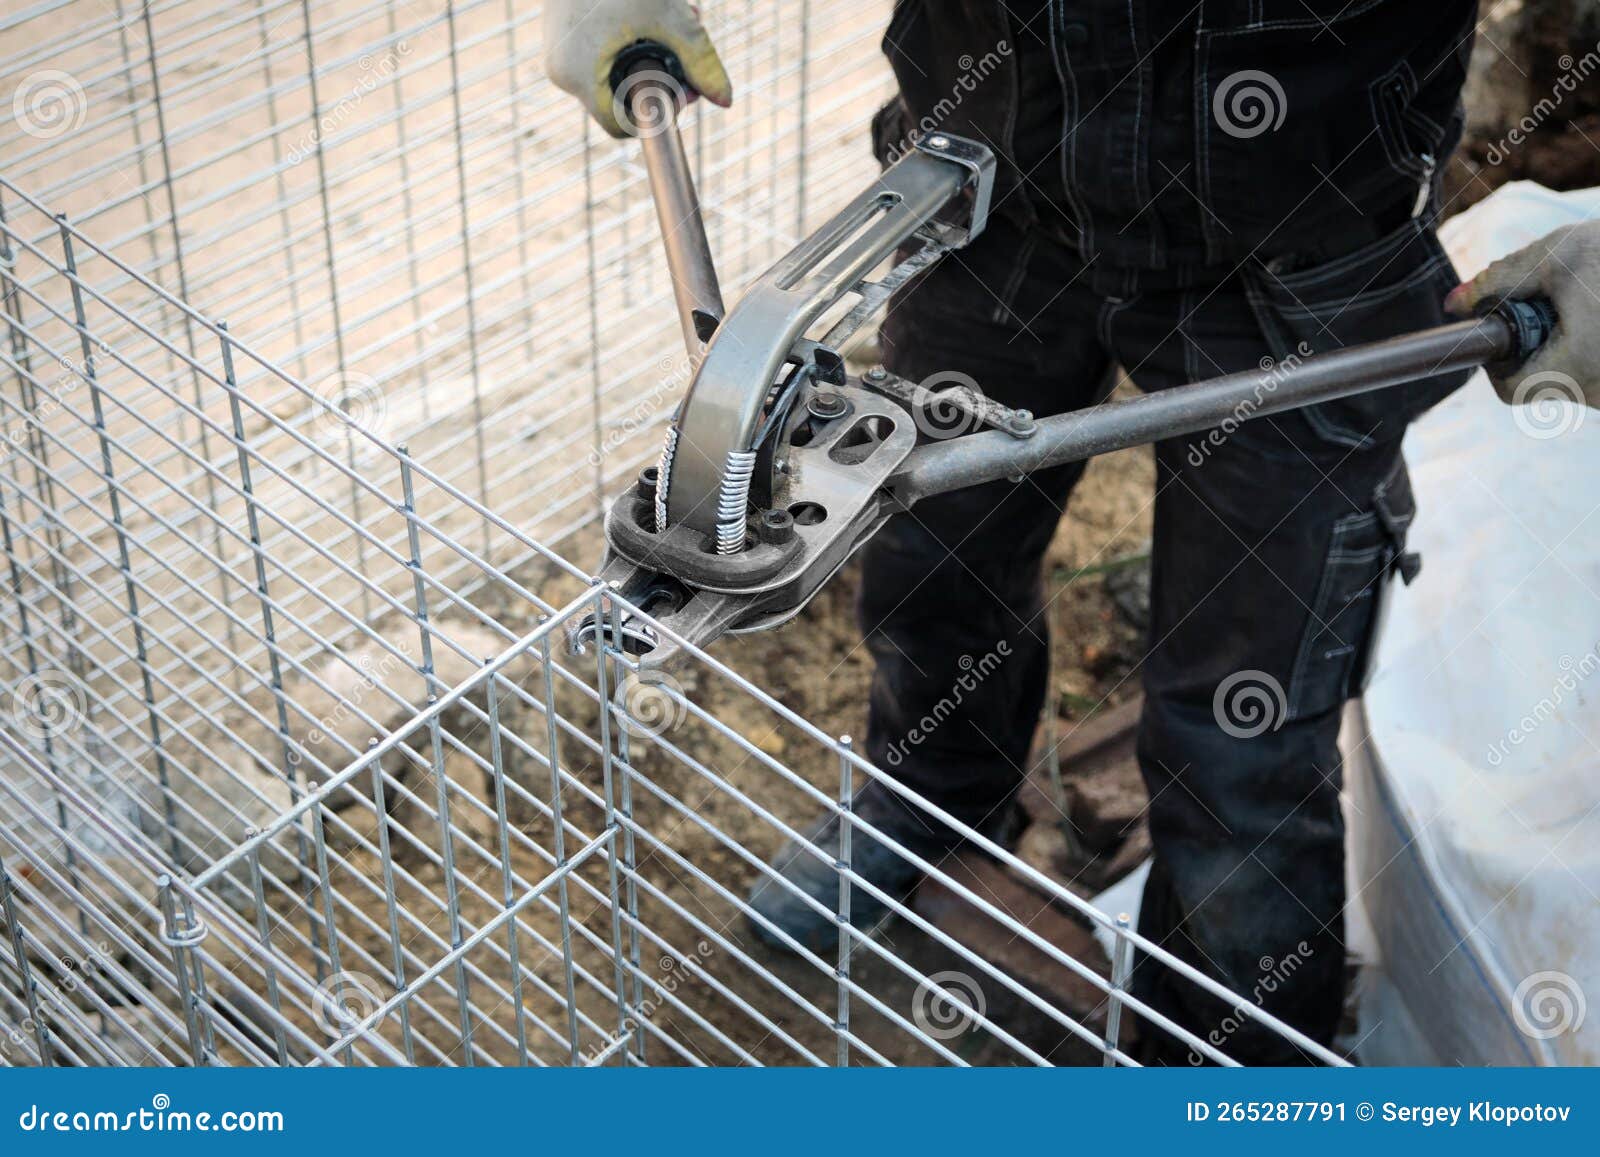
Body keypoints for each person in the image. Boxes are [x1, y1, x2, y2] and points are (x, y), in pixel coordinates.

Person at [546, 0, 1600, 1064]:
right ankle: (937, 805)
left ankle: (1218, 1063)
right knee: (931, 562)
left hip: (1299, 246)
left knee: (1240, 728)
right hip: (991, 187)